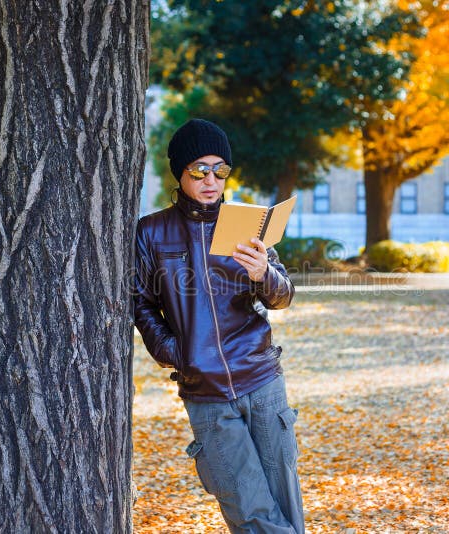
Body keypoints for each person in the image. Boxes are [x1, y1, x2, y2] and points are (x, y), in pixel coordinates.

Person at [133, 118, 304, 533]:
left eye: (220, 170)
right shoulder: (152, 232)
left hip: (262, 381)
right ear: (181, 172)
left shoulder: (249, 222)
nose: (211, 179)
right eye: (199, 169)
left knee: (284, 502)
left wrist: (265, 272)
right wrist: (179, 354)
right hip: (205, 392)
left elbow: (281, 297)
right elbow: (140, 303)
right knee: (248, 511)